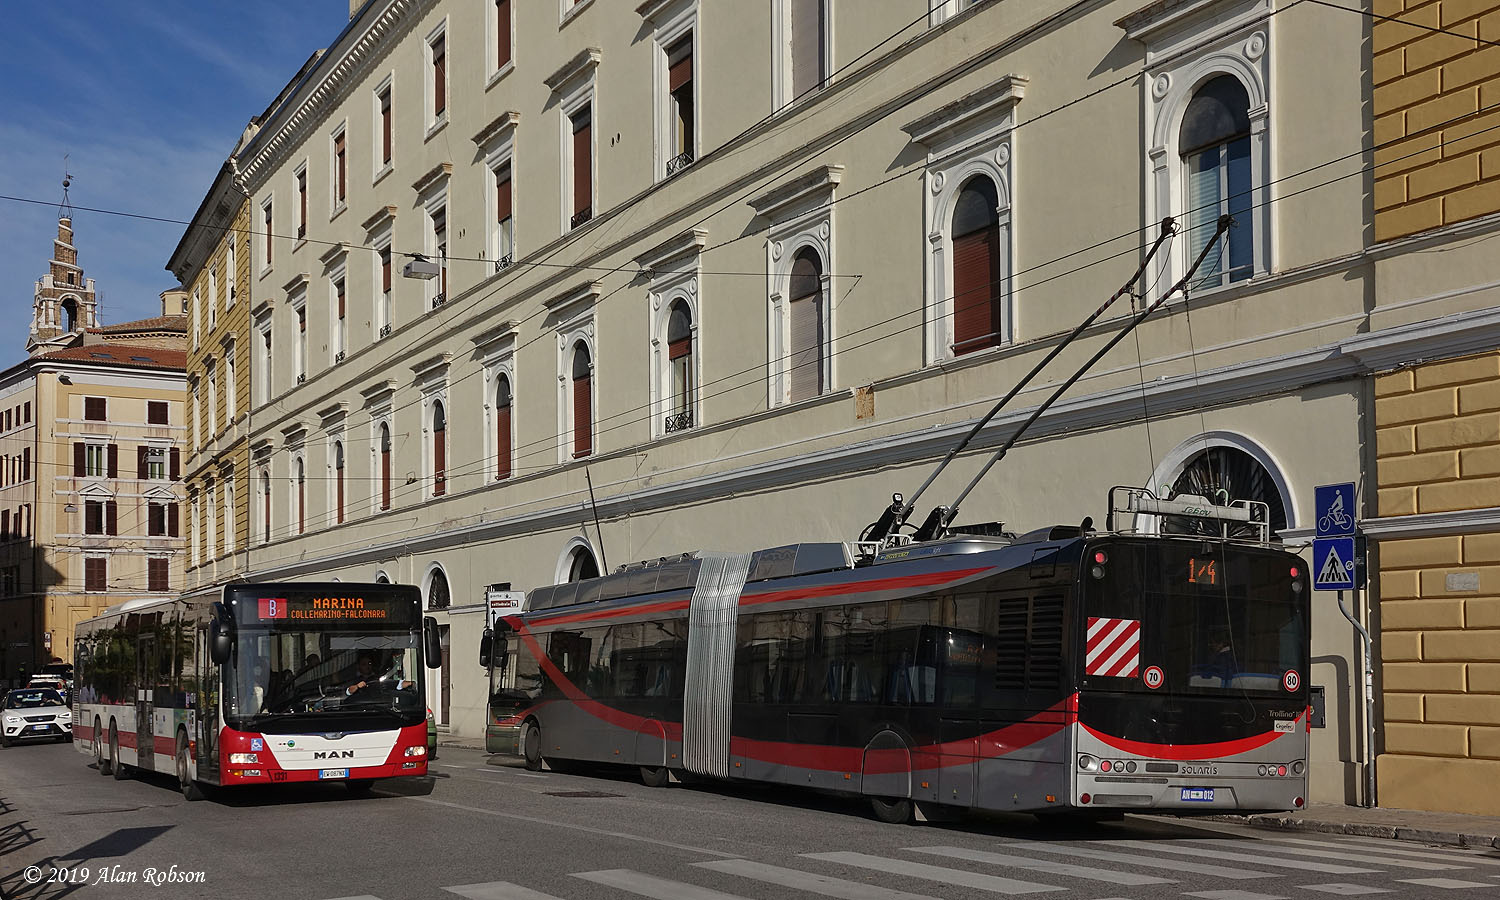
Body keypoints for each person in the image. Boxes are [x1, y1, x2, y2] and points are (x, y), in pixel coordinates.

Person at [342, 652, 414, 697]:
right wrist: (357, 686)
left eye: (369, 663)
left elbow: (397, 684)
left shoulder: (379, 677)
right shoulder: (354, 680)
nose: (367, 666)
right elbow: (348, 692)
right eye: (364, 664)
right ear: (358, 666)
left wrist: (412, 683)